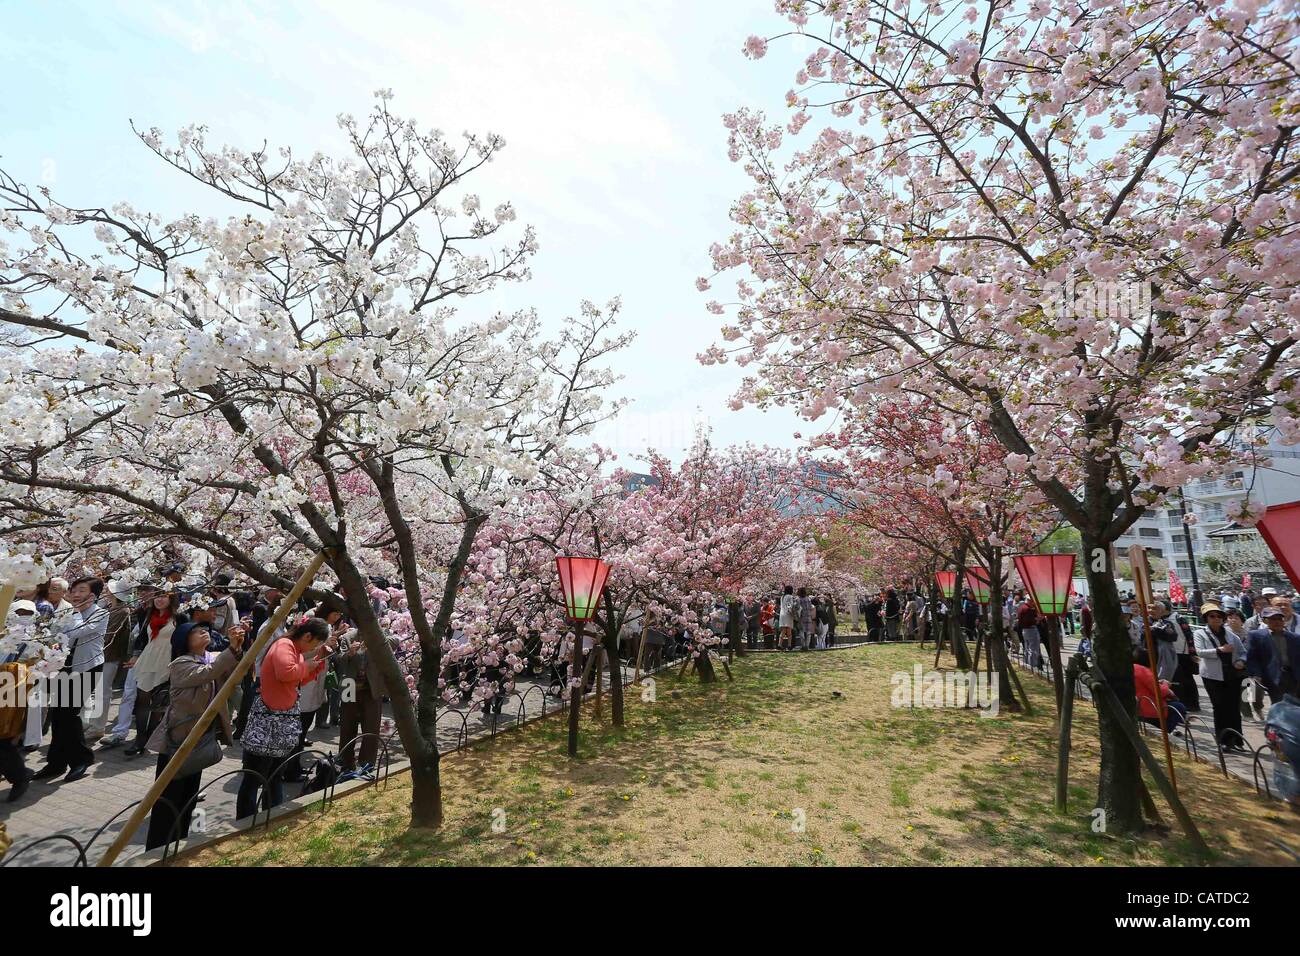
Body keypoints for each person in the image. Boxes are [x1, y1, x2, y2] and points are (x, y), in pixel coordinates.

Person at [144, 618, 246, 850]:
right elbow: (208, 673)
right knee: (168, 797)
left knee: (189, 795)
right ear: (184, 640)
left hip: (199, 737)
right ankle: (157, 849)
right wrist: (230, 650)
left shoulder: (211, 656)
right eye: (197, 631)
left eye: (205, 629)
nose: (203, 633)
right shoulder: (180, 664)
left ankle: (179, 844)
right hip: (178, 740)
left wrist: (238, 646)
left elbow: (233, 672)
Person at [236, 617, 334, 820]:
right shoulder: (284, 645)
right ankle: (246, 820)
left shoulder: (296, 651)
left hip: (281, 720)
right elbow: (286, 673)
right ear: (307, 636)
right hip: (267, 720)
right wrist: (310, 663)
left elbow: (297, 679)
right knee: (255, 775)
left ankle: (271, 815)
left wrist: (316, 664)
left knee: (274, 773)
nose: (314, 648)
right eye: (315, 644)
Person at [32, 577, 108, 784]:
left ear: (93, 595)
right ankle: (56, 763)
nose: (75, 594)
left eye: (81, 590)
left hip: (86, 667)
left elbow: (76, 632)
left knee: (69, 715)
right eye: (73, 590)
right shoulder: (67, 612)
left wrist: (73, 613)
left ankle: (81, 759)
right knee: (59, 716)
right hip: (63, 667)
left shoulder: (100, 613)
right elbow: (56, 634)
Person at [117, 589, 184, 758]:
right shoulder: (148, 614)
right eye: (157, 596)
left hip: (167, 662)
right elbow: (141, 638)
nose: (159, 600)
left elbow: (183, 641)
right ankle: (139, 739)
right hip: (147, 660)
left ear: (171, 599)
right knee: (142, 700)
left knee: (158, 703)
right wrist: (135, 656)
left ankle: (149, 738)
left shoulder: (180, 617)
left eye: (163, 597)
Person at [337, 625, 397, 773]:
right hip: (350, 686)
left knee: (371, 727)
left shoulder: (379, 634)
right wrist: (350, 653)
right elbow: (339, 659)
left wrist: (375, 640)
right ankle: (345, 762)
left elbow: (396, 641)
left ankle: (367, 763)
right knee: (347, 726)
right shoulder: (348, 637)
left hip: (372, 688)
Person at [1193, 603, 1248, 752]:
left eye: (1219, 616)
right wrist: (1219, 650)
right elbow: (1200, 652)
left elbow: (1243, 651)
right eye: (1212, 616)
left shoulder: (1230, 634)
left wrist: (1241, 661)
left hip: (1232, 675)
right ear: (1206, 618)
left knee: (1234, 708)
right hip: (1213, 676)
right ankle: (1223, 739)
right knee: (1219, 707)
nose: (1216, 619)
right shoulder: (1200, 634)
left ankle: (1237, 739)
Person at [85, 579, 133, 741]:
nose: (107, 591)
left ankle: (98, 727)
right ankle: (93, 722)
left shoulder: (122, 611)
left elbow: (109, 635)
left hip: (109, 655)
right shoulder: (111, 608)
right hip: (100, 654)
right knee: (96, 691)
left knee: (102, 692)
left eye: (110, 590)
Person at [1149, 600, 1199, 712]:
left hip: (1182, 653)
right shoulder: (1154, 621)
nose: (1152, 611)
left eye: (1156, 608)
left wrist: (1192, 652)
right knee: (1177, 680)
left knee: (1186, 679)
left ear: (1164, 610)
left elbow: (1188, 635)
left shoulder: (1177, 618)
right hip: (1170, 654)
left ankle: (1192, 704)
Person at [1246, 605, 1300, 705]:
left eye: (1279, 619)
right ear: (1265, 621)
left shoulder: (1295, 638)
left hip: (1293, 677)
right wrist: (1256, 674)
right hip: (1272, 677)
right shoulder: (1256, 636)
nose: (1277, 622)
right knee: (1279, 706)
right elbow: (1252, 658)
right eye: (1273, 619)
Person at [1133, 647, 1187, 733]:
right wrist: (1166, 684)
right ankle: (1165, 731)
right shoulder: (1143, 670)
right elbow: (1161, 692)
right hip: (1148, 708)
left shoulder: (1133, 668)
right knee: (1179, 707)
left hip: (1138, 705)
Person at [1017, 596, 1043, 670]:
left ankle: (1027, 665)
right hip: (1031, 629)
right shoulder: (1027, 609)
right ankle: (1032, 667)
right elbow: (1030, 621)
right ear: (1029, 600)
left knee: (1027, 649)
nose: (1033, 603)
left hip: (1025, 630)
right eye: (1032, 601)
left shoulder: (1022, 607)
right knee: (1033, 650)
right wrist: (1038, 619)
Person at [777, 585, 795, 651]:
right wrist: (792, 613)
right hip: (788, 614)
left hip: (782, 614)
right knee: (789, 630)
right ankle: (789, 645)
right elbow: (789, 606)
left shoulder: (782, 597)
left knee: (783, 630)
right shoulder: (790, 597)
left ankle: (779, 644)